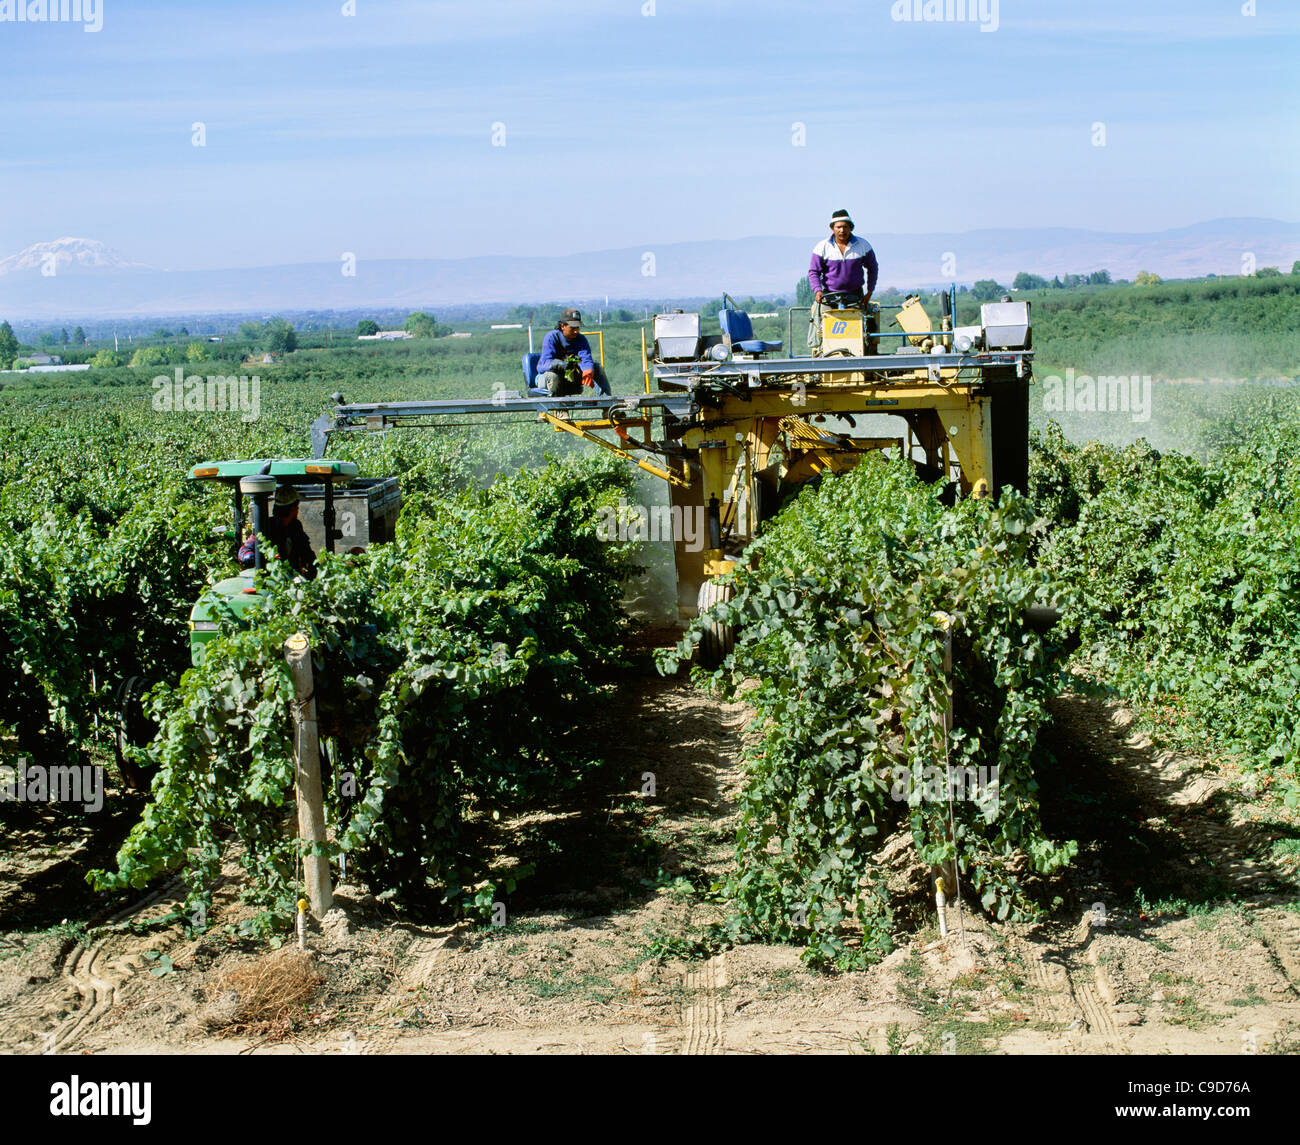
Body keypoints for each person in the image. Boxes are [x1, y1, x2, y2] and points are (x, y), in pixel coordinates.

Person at [807, 209, 878, 354]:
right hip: (828, 297)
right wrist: (818, 290)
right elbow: (813, 272)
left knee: (866, 326)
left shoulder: (863, 245)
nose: (842, 230)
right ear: (832, 228)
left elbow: (873, 267)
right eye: (838, 227)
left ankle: (866, 355)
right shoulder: (822, 247)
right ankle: (819, 353)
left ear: (851, 227)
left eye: (845, 226)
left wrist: (870, 291)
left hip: (855, 297)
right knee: (819, 324)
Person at [238, 485, 317, 578]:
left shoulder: (296, 527)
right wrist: (264, 559)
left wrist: (316, 570)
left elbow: (306, 552)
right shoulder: (267, 526)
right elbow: (244, 552)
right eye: (297, 507)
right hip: (272, 580)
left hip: (292, 578)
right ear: (293, 508)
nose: (297, 510)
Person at [535, 308, 612, 396]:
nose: (576, 331)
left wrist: (588, 370)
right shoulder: (551, 337)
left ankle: (608, 406)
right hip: (547, 378)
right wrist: (561, 364)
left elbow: (586, 358)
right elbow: (544, 363)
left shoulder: (581, 339)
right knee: (553, 376)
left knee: (597, 368)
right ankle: (559, 408)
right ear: (562, 326)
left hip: (570, 377)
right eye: (572, 328)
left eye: (577, 327)